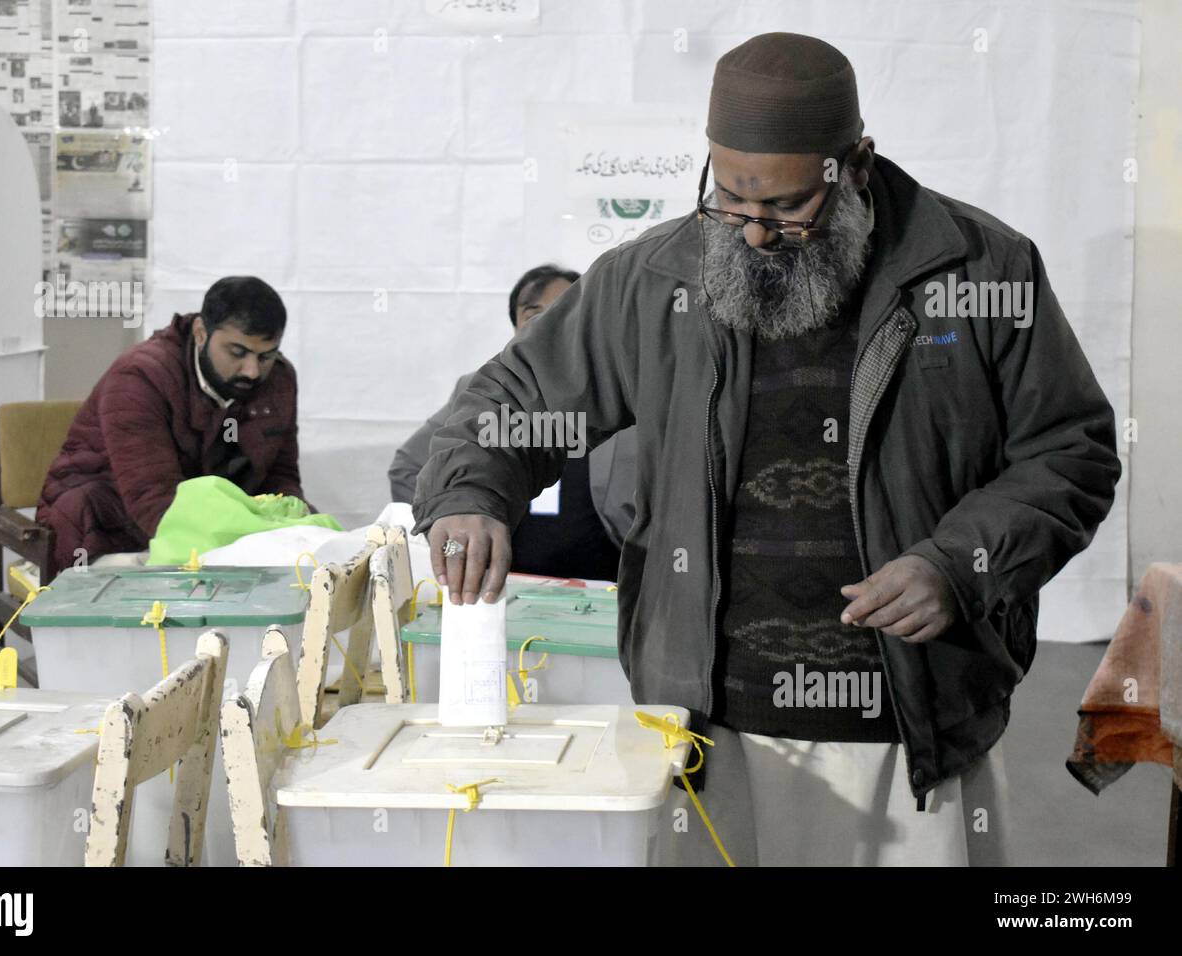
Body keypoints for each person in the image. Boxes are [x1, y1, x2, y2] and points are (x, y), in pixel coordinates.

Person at [410, 33, 1121, 865]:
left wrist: (959, 564)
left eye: (785, 208)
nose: (752, 235)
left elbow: (1071, 451)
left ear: (854, 163)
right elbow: (512, 402)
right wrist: (470, 491)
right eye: (729, 201)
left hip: (903, 730)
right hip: (706, 730)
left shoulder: (978, 268)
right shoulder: (653, 280)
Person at [38, 275, 309, 570]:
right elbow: (152, 499)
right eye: (237, 352)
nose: (253, 371)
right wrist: (235, 552)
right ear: (201, 332)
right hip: (105, 529)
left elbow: (281, 478)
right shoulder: (139, 377)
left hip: (209, 529)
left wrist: (291, 532)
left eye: (266, 355)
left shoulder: (280, 378)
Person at [390, 264, 636, 581]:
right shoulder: (484, 394)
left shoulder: (626, 393)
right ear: (516, 329)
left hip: (608, 587)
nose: (550, 325)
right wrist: (453, 527)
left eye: (564, 311)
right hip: (504, 587)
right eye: (534, 315)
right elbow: (408, 467)